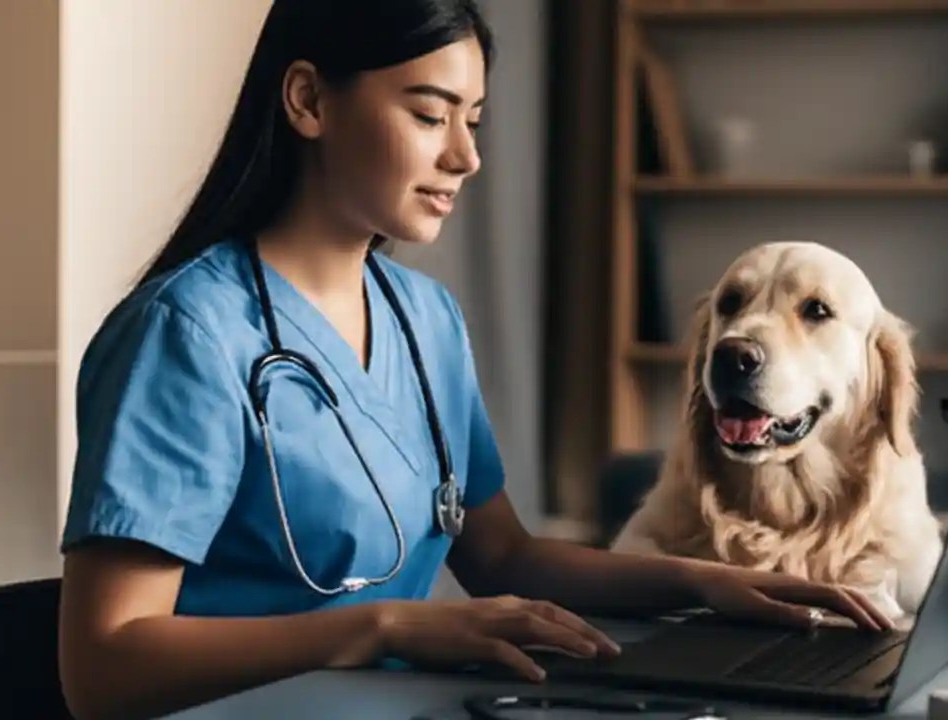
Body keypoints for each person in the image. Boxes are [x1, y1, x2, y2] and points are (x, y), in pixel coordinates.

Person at [56, 2, 894, 718]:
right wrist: (380, 627)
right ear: (309, 100)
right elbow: (103, 667)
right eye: (430, 115)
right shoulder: (187, 334)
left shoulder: (424, 318)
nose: (466, 156)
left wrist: (701, 584)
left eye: (474, 121)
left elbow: (500, 558)